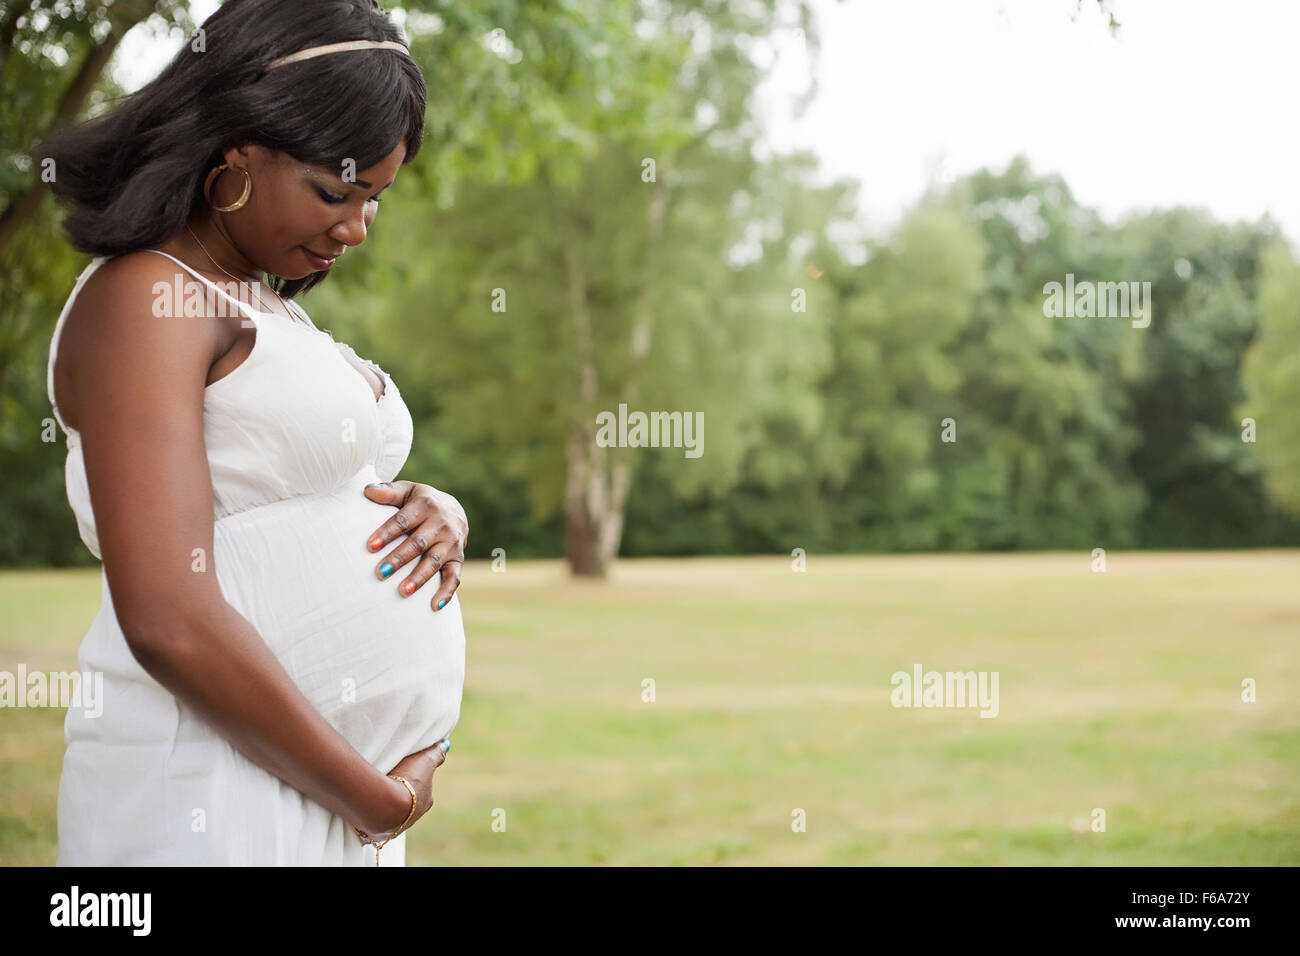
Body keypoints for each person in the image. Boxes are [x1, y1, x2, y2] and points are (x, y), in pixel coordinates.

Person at [34, 0, 467, 865]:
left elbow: (304, 492)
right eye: (335, 192)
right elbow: (166, 615)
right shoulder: (146, 297)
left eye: (376, 199)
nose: (355, 229)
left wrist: (436, 513)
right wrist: (372, 798)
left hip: (315, 791)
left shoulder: (261, 303)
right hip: (210, 790)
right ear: (237, 151)